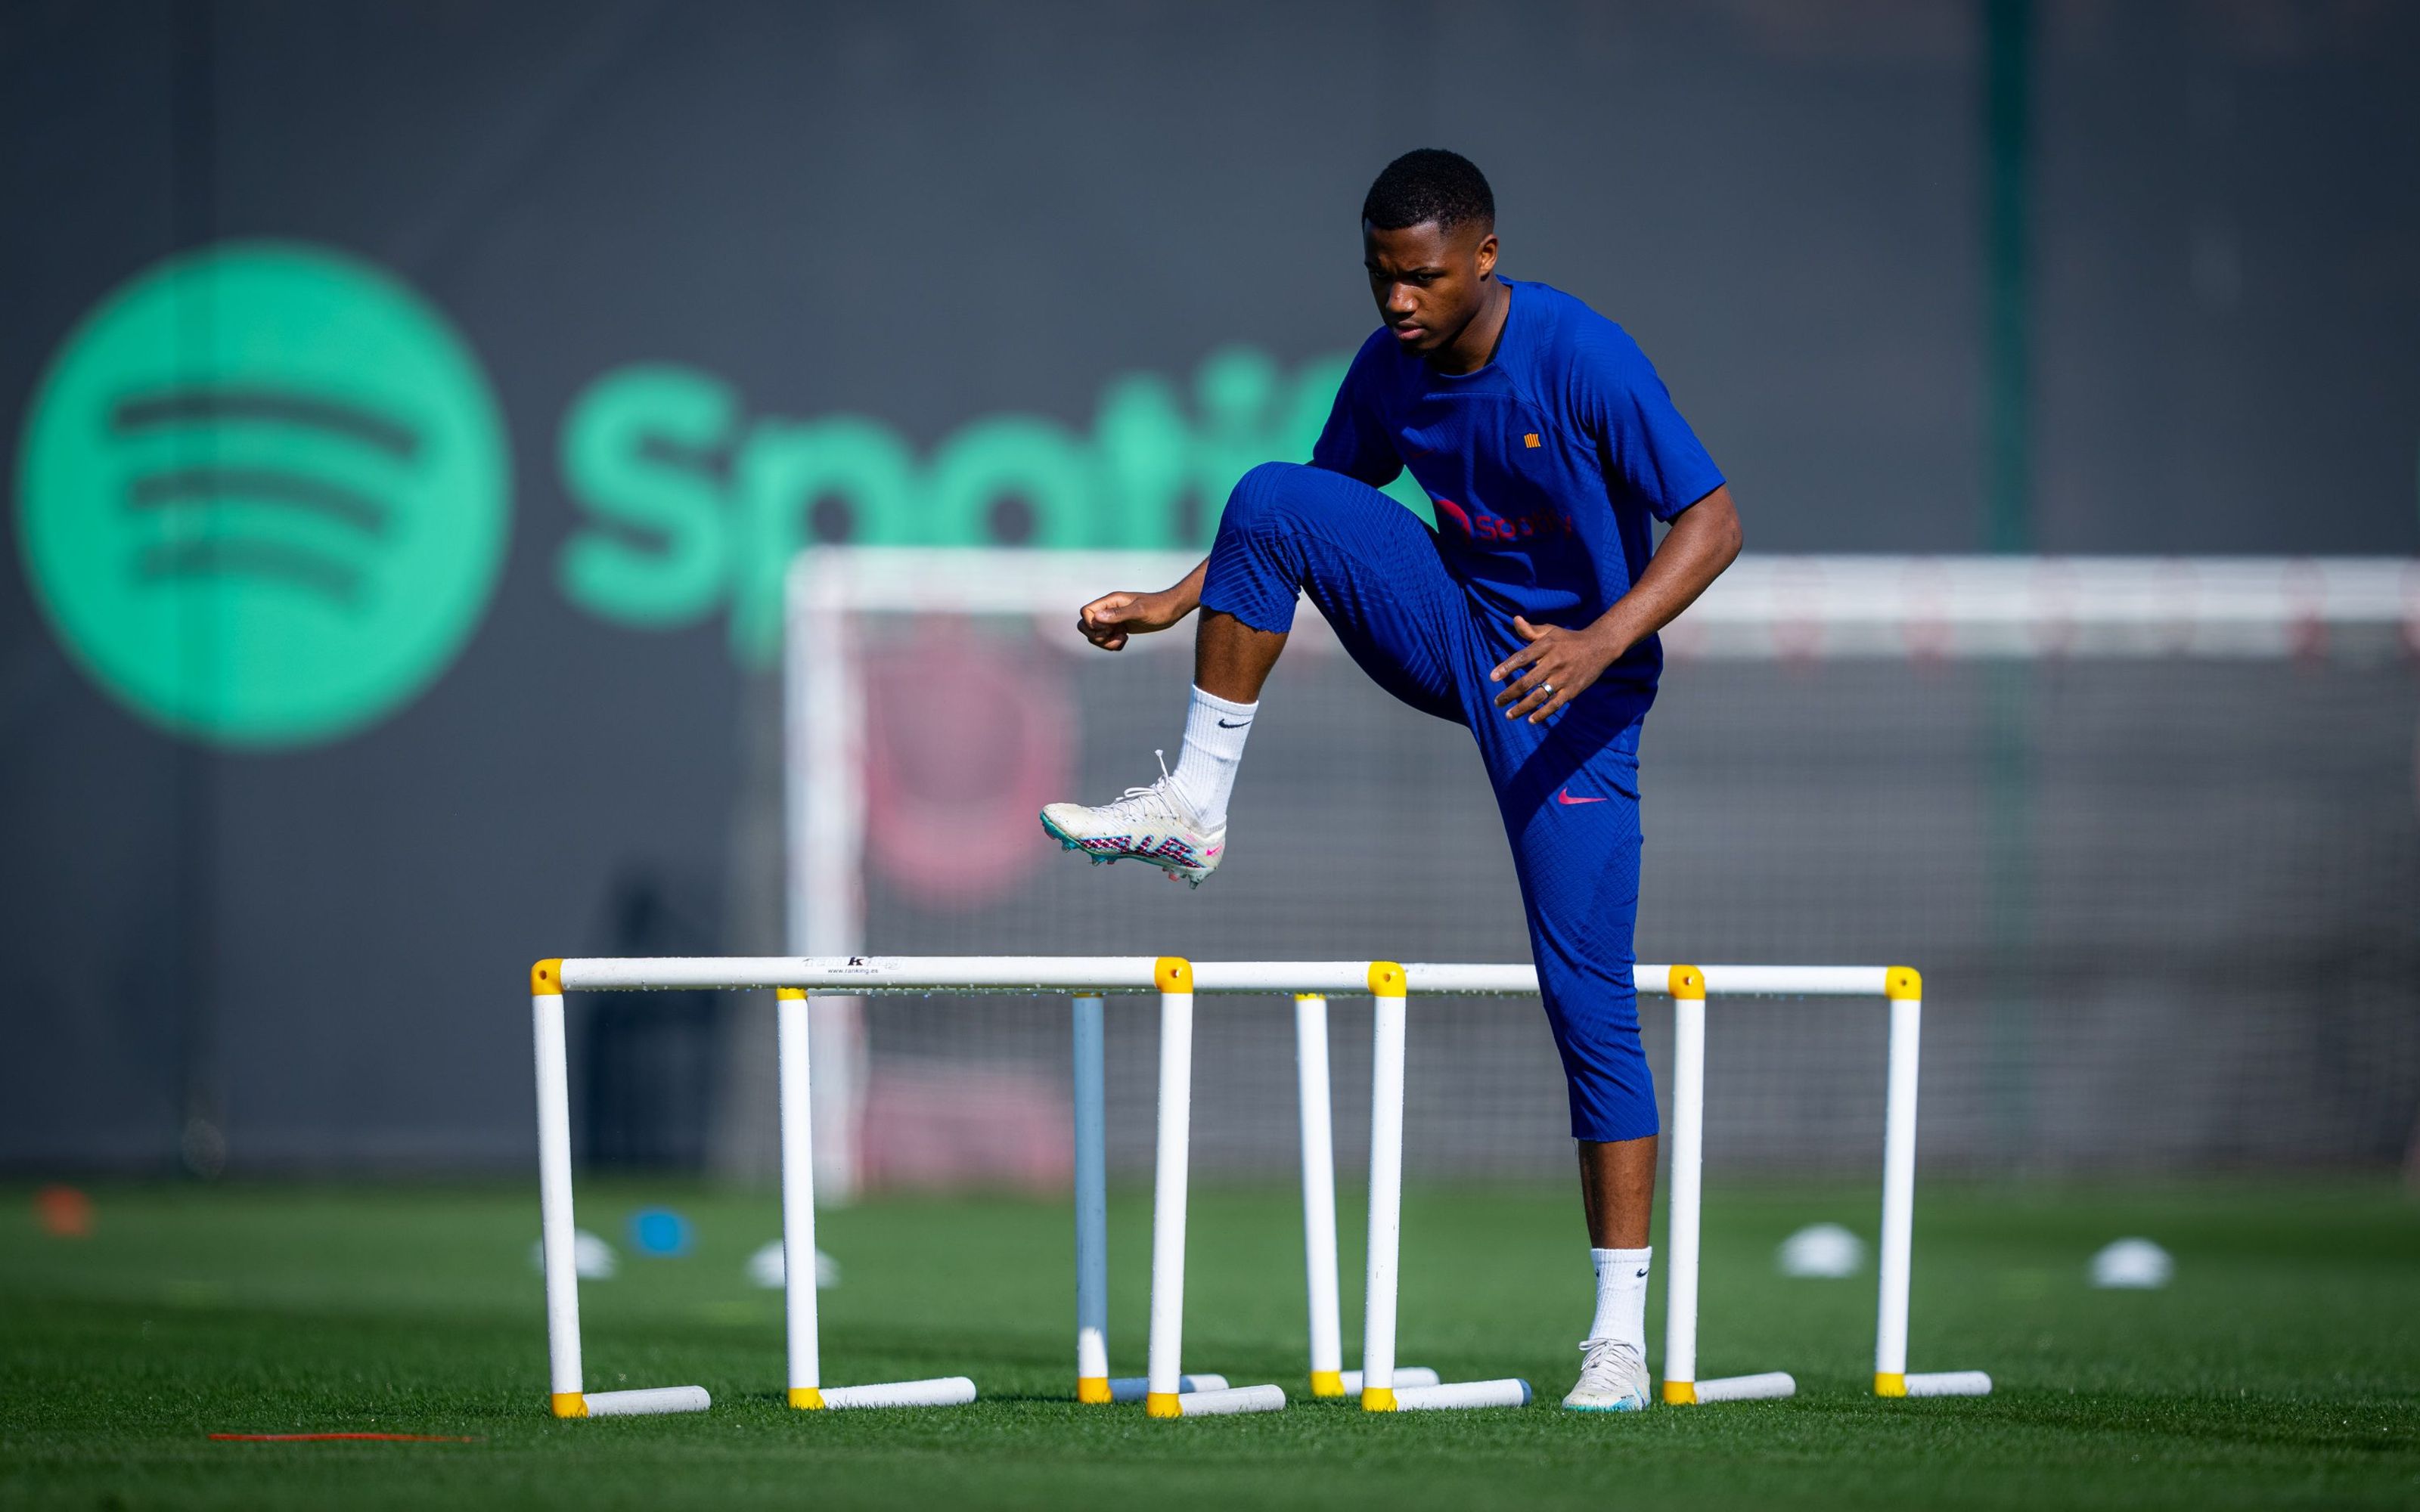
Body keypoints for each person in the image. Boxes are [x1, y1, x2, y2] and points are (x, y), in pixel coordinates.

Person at [1039, 148, 1742, 1411]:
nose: (1396, 304)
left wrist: (1598, 641)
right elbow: (1300, 513)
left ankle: (1618, 1342)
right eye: (1378, 278)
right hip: (1451, 630)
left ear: (1483, 257)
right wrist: (1165, 600)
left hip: (1572, 692)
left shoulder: (1581, 358)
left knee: (1587, 1002)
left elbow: (1713, 520)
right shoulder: (1388, 370)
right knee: (1270, 490)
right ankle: (1194, 807)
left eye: (1420, 279)